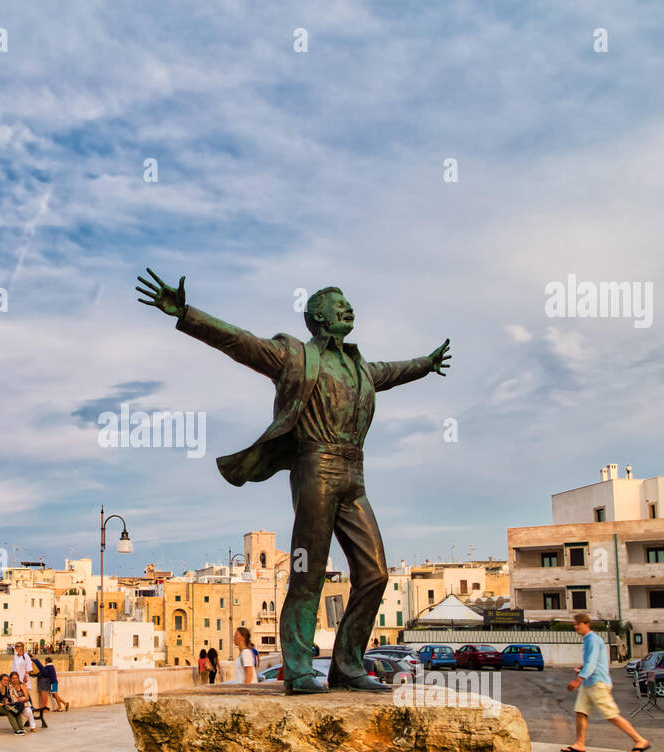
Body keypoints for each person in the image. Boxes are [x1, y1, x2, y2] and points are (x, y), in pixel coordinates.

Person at [137, 270, 450, 694]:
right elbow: (240, 342)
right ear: (318, 318)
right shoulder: (296, 357)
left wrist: (426, 365)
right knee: (309, 571)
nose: (349, 309)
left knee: (374, 572)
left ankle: (348, 666)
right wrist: (187, 314)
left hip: (354, 475)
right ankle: (300, 667)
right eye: (340, 305)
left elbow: (393, 371)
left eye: (349, 304)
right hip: (315, 469)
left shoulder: (359, 366)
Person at [561, 613, 650, 752]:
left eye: (578, 624)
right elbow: (592, 662)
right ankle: (579, 744)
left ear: (586, 624)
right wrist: (581, 668)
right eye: (575, 624)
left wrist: (578, 680)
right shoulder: (589, 640)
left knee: (611, 714)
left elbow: (592, 663)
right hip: (589, 683)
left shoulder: (592, 640)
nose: (576, 627)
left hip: (597, 683)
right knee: (581, 712)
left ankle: (639, 740)